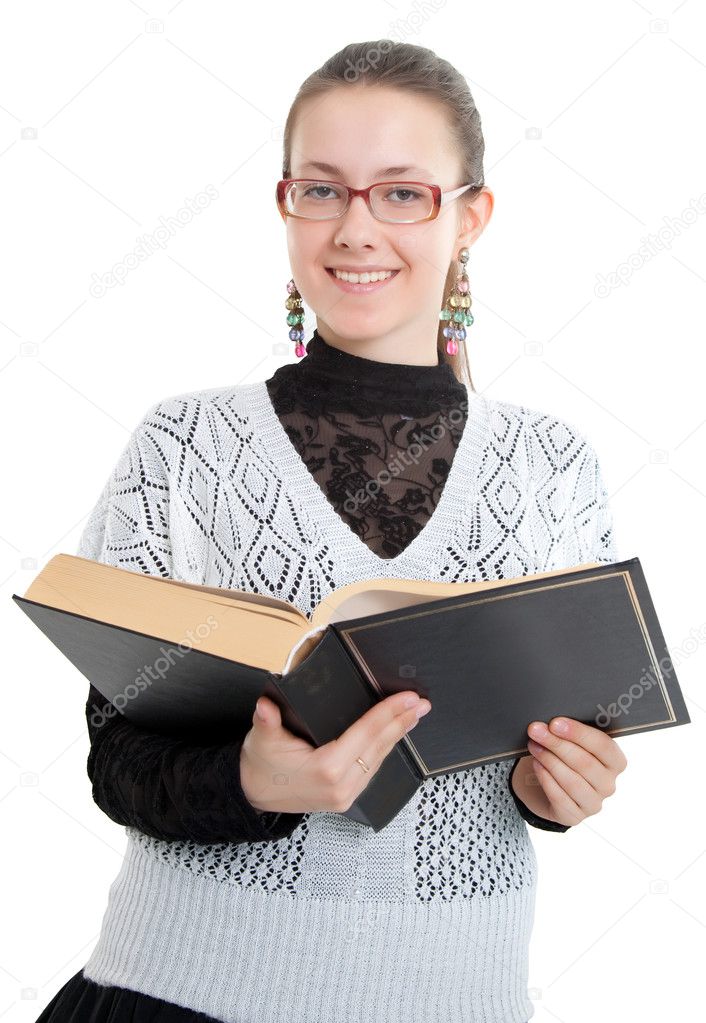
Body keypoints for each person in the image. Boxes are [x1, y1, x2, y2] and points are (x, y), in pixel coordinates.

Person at [35, 39, 628, 1023]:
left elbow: (573, 735)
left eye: (402, 193)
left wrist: (559, 787)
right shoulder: (186, 445)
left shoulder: (553, 466)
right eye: (321, 190)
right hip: (179, 994)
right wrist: (247, 781)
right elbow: (115, 760)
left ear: (470, 216)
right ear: (287, 206)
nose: (356, 229)